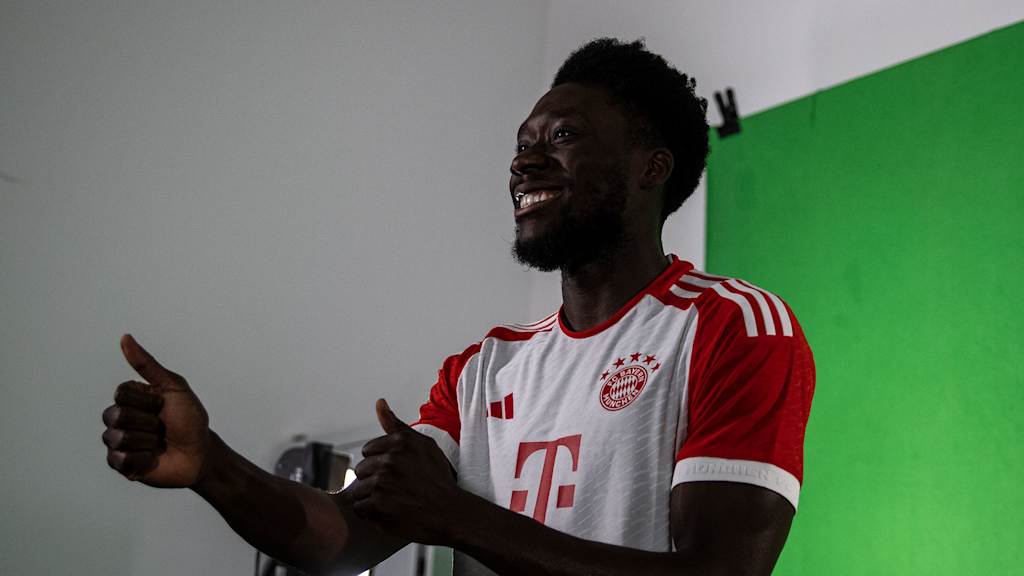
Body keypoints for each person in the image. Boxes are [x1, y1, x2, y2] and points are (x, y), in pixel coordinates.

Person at [102, 38, 815, 576]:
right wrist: (208, 467)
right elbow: (346, 541)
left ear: (649, 169)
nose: (524, 163)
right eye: (522, 144)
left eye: (562, 138)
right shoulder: (482, 370)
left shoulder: (735, 327)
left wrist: (454, 517)